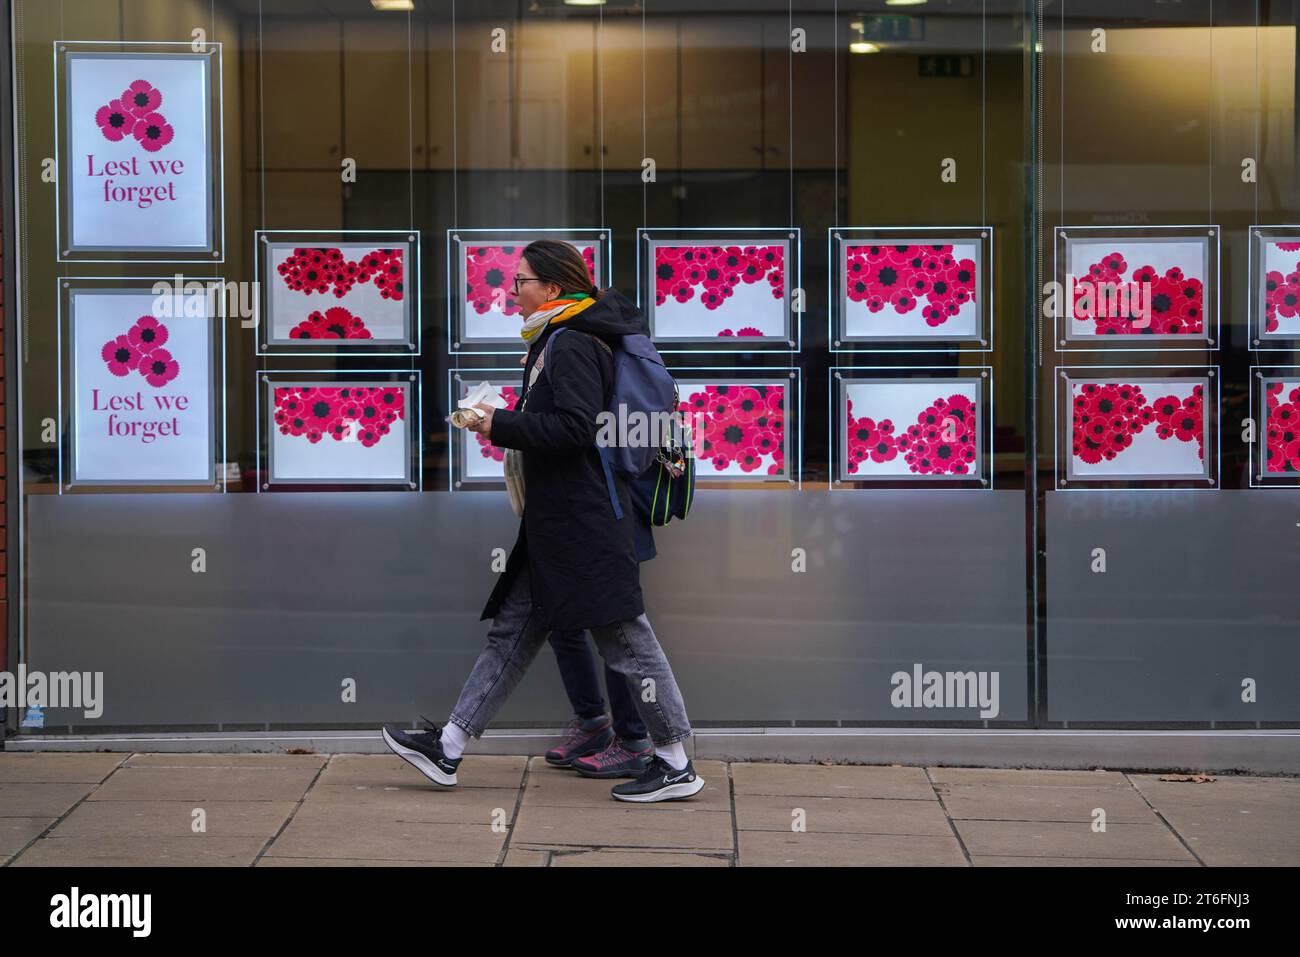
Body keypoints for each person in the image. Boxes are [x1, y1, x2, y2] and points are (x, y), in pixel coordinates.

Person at [382, 239, 703, 803]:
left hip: (583, 521)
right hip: (560, 520)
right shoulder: (561, 336)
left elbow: (576, 429)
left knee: (628, 640)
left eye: (522, 282)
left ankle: (676, 762)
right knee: (513, 632)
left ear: (552, 288)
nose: (513, 292)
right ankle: (449, 747)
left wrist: (495, 423)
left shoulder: (573, 341)